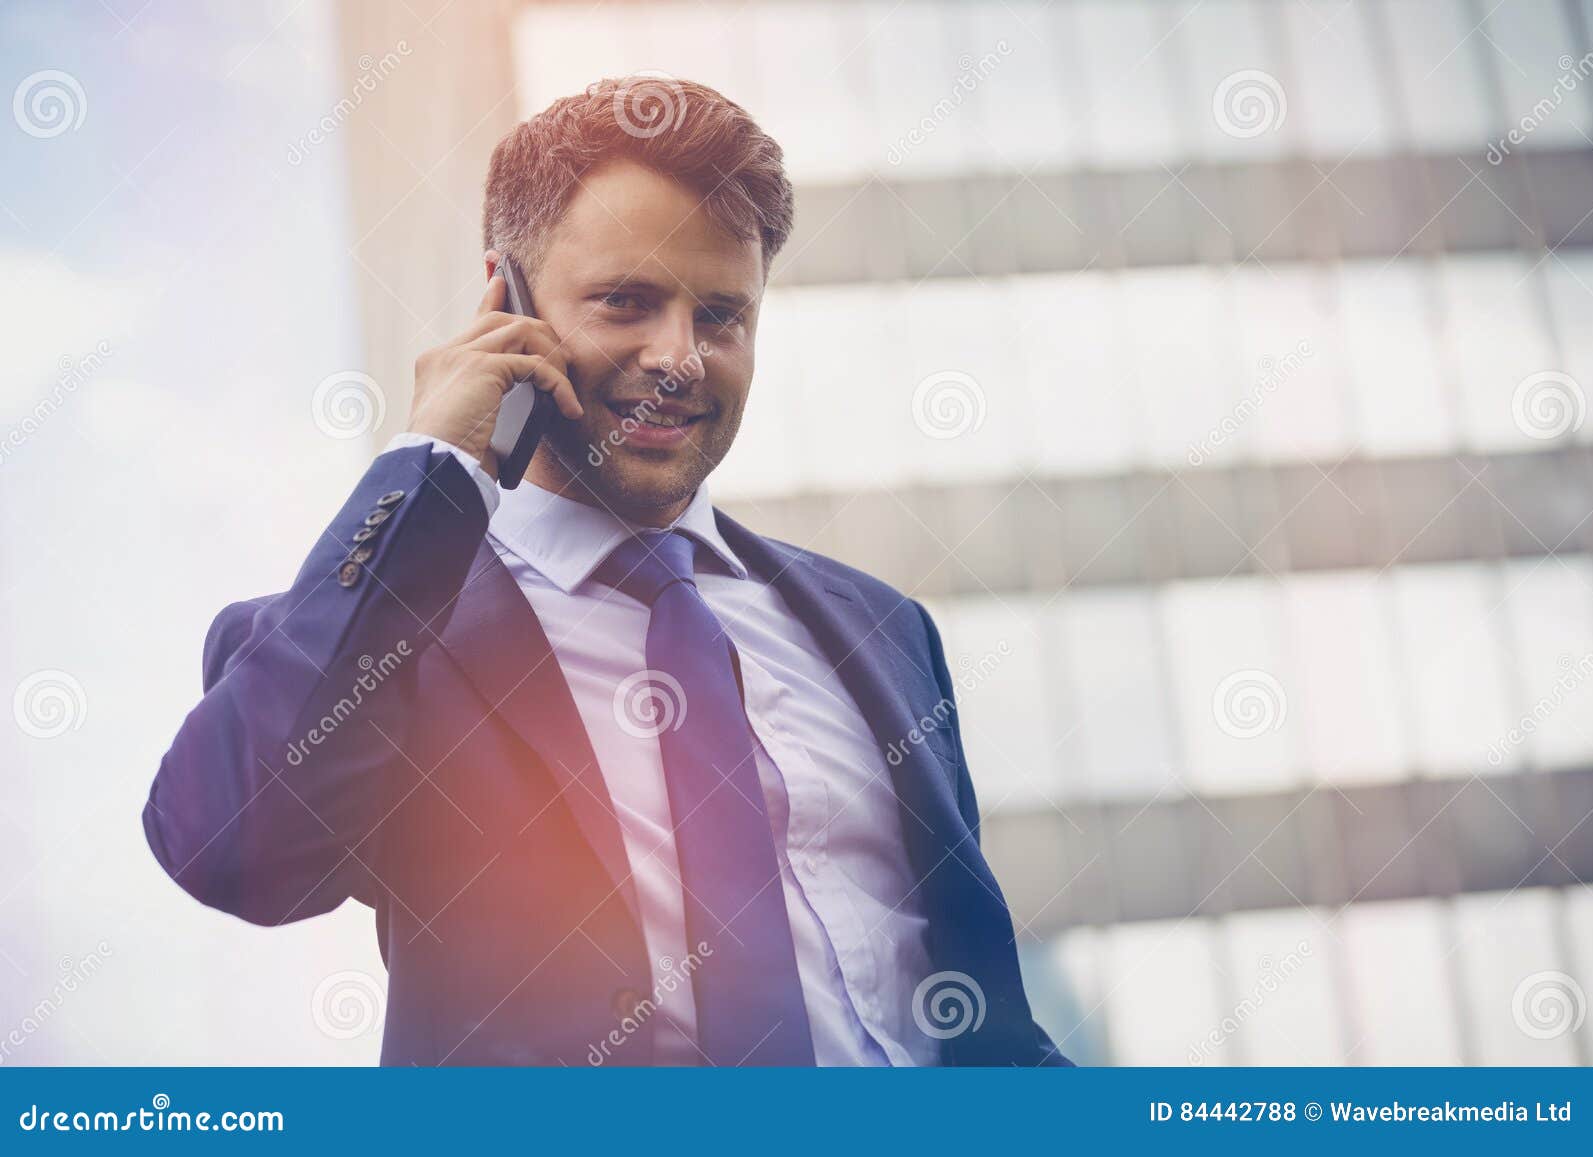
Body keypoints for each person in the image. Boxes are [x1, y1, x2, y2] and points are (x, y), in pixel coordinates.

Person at [143, 74, 1070, 1068]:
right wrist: (428, 467)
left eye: (721, 315)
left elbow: (985, 1020)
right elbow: (229, 846)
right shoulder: (380, 627)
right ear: (505, 298)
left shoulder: (884, 631)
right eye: (626, 301)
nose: (680, 357)